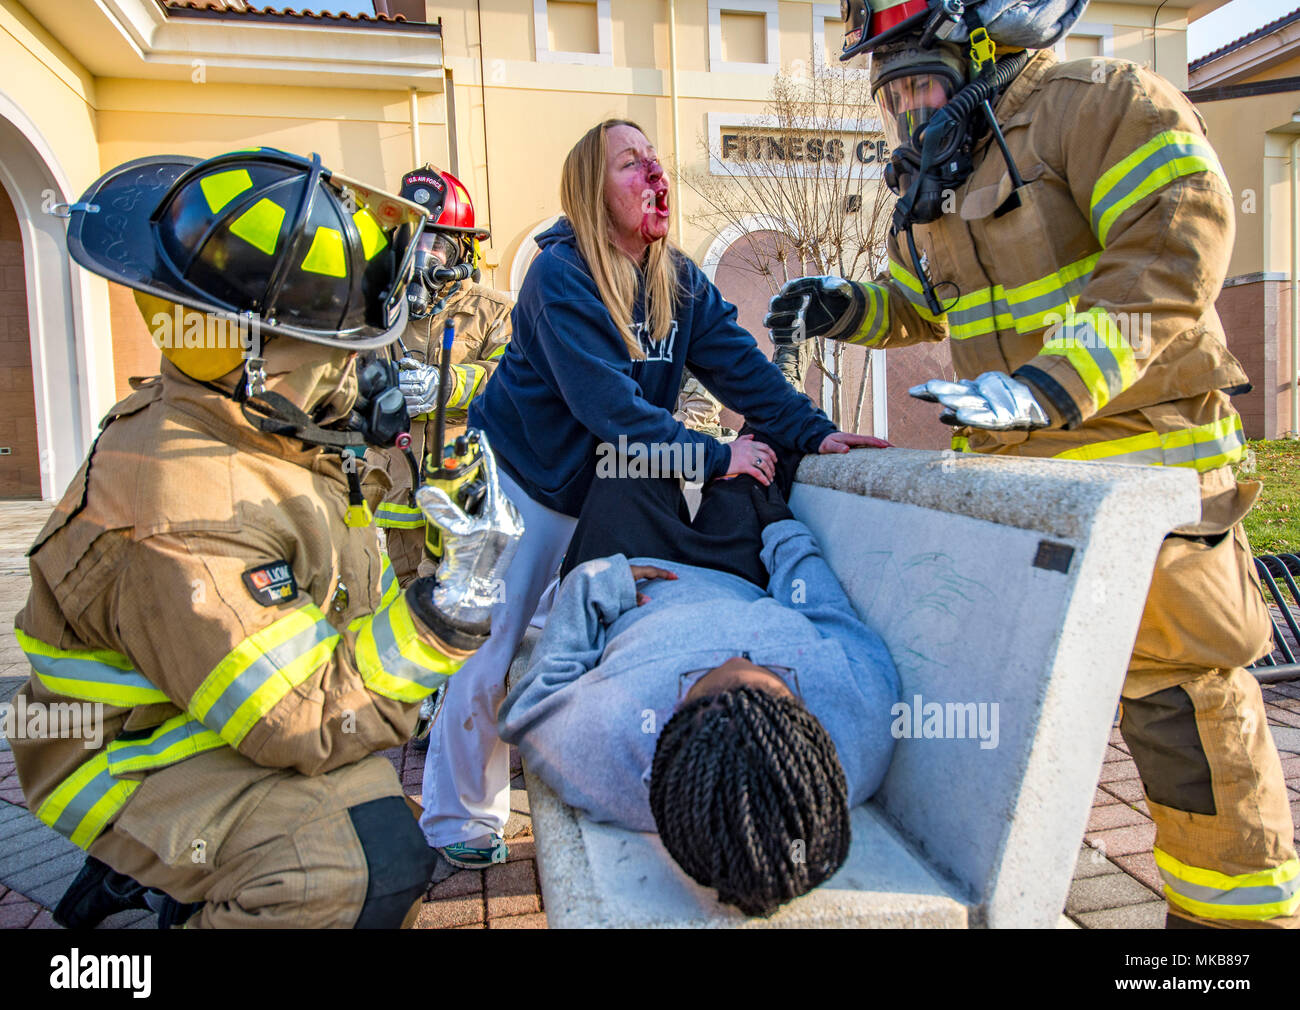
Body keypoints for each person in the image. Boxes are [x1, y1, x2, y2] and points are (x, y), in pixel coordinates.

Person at [767, 0, 1297, 928]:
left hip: (1145, 475)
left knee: (1179, 708)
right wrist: (848, 306)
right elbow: (925, 300)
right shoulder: (949, 166)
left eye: (921, 86)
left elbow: (1174, 245)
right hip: (1024, 490)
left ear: (986, 44)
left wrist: (1050, 387)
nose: (910, 116)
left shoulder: (1102, 104)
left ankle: (1228, 932)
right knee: (1007, 702)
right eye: (894, 98)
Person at [8, 148, 522, 929]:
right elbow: (303, 715)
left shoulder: (249, 422)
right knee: (355, 865)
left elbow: (326, 566)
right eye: (341, 357)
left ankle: (170, 876)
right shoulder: (189, 508)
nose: (362, 380)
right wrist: (448, 610)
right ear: (258, 359)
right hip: (121, 754)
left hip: (186, 708)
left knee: (370, 806)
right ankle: (161, 876)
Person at [419, 117, 887, 869]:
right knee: (489, 645)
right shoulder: (560, 275)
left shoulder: (679, 280)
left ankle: (591, 767)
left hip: (600, 483)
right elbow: (611, 410)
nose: (655, 174)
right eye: (631, 164)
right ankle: (460, 822)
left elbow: (743, 370)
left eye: (656, 161)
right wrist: (718, 456)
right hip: (522, 482)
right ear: (592, 190)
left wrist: (817, 433)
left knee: (588, 632)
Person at [499, 432, 899, 916]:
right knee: (762, 451)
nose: (732, 658)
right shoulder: (858, 726)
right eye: (767, 675)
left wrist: (597, 586)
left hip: (632, 572)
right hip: (740, 573)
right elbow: (828, 611)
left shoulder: (606, 749)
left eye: (704, 685)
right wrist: (783, 532)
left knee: (627, 457)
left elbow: (531, 702)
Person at [371, 165, 513, 587]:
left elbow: (514, 380)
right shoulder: (378, 311)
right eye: (414, 240)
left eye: (436, 244)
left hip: (463, 487)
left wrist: (444, 385)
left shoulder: (495, 312)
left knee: (461, 597)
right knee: (408, 599)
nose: (422, 255)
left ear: (462, 253)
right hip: (397, 490)